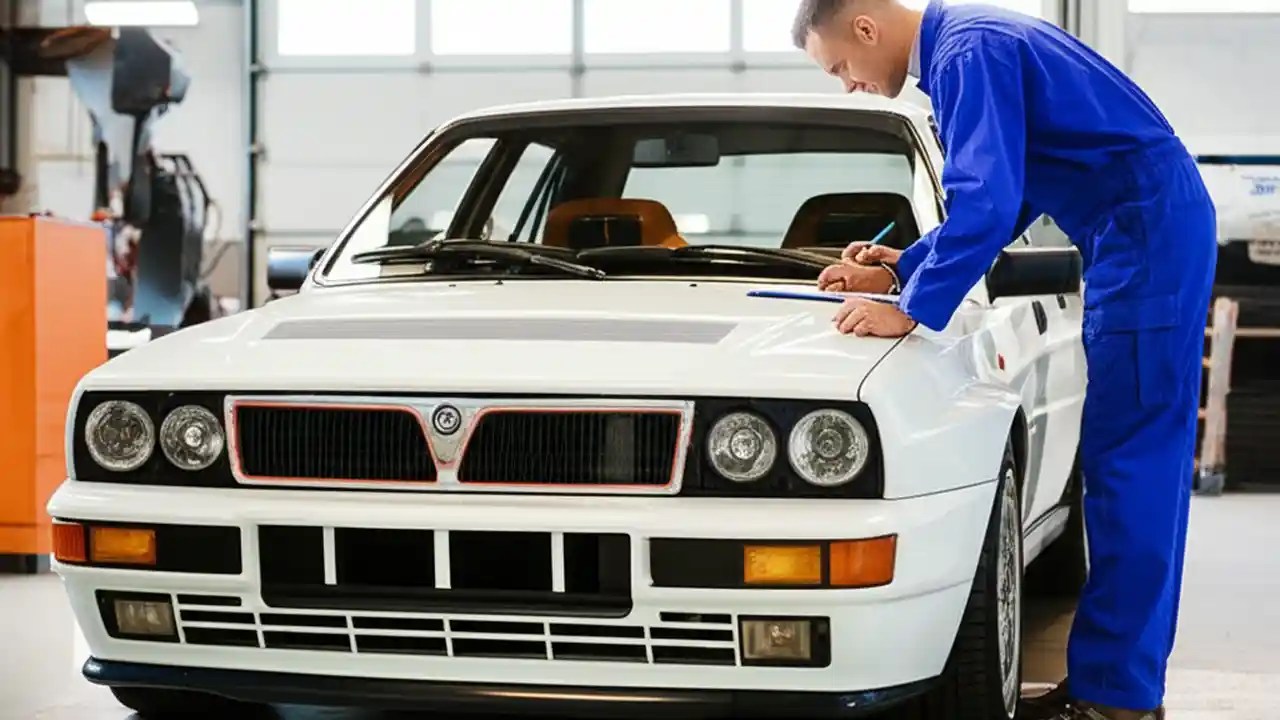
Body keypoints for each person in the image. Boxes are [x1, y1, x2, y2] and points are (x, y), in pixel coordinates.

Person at [792, 1, 1217, 719]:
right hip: (1142, 225)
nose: (849, 85)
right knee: (1132, 467)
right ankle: (1115, 687)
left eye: (840, 68)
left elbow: (986, 200)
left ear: (865, 28)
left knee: (1132, 471)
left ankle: (1119, 700)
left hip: (1142, 234)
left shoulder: (966, 54)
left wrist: (911, 308)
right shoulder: (969, 41)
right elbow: (1008, 192)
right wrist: (905, 269)